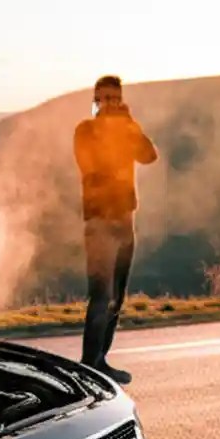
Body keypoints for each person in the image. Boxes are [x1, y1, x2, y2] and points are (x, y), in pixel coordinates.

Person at [72, 74, 158, 384]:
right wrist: (112, 131)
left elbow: (149, 156)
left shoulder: (126, 131)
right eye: (102, 98)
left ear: (121, 100)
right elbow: (92, 168)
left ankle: (100, 361)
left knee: (117, 298)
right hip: (99, 223)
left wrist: (130, 126)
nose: (108, 104)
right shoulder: (86, 131)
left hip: (125, 221)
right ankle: (89, 365)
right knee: (100, 294)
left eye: (113, 98)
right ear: (95, 100)